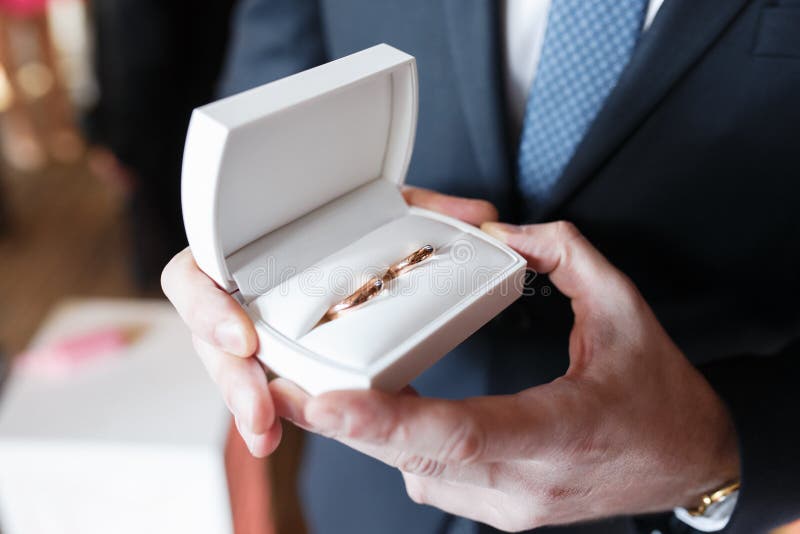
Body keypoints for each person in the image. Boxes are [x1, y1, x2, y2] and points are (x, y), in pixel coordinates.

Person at [162, 1, 800, 533]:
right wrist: (238, 257)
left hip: (659, 503)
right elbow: (259, 122)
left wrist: (713, 449)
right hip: (369, 496)